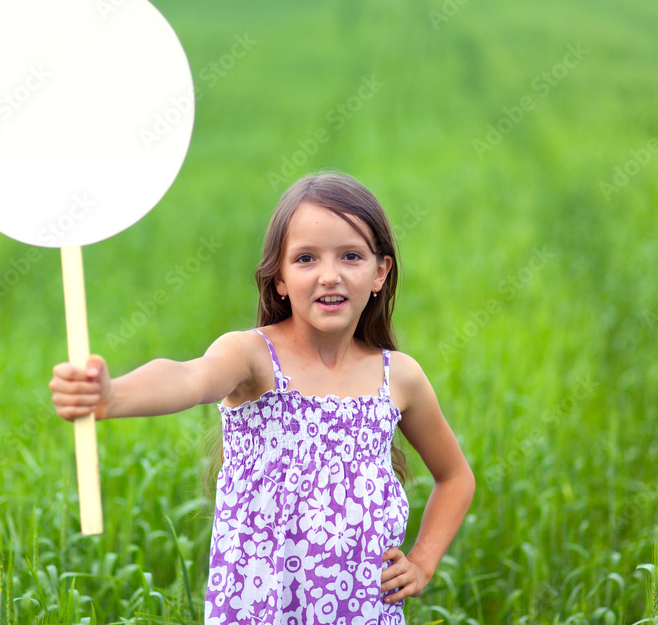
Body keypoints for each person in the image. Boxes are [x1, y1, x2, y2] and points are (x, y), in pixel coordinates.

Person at [50, 171, 475, 624]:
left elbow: (455, 477)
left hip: (364, 611)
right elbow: (189, 377)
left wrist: (422, 562)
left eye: (351, 256)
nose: (329, 276)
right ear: (280, 279)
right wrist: (112, 396)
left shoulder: (398, 377)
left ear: (380, 271)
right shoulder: (253, 357)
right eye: (306, 259)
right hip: (259, 609)